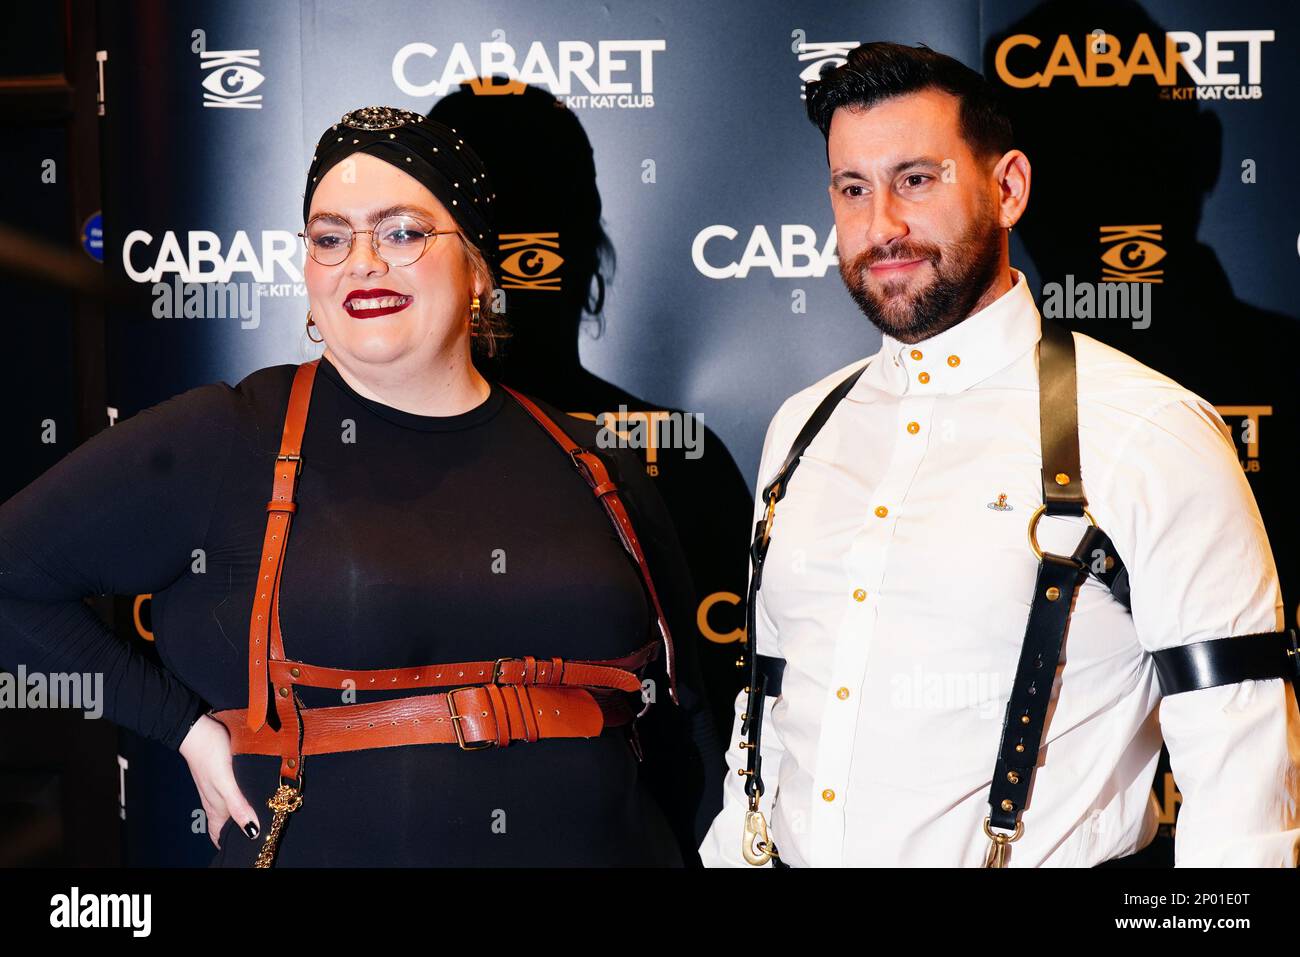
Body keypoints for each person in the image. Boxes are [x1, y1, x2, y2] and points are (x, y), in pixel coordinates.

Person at [0, 105, 720, 867]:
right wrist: (183, 726)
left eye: (402, 232)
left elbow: (690, 727)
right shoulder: (232, 436)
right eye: (331, 237)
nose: (363, 262)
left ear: (477, 262)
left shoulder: (594, 461)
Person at [699, 43, 1300, 867]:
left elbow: (1243, 787)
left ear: (1008, 187)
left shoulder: (1145, 430)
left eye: (916, 178)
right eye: (852, 188)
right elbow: (765, 709)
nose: (883, 226)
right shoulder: (803, 429)